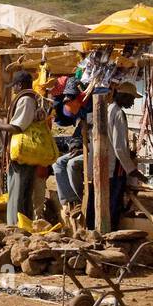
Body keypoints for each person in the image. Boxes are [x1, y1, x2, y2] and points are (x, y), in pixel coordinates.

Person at [0, 71, 43, 227]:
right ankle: (21, 224)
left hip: (23, 154)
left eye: (15, 86)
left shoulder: (25, 100)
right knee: (20, 191)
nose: (14, 89)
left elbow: (17, 127)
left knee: (17, 192)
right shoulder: (29, 99)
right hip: (24, 154)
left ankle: (17, 226)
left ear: (20, 85)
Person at [89, 82, 146, 230]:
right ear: (124, 96)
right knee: (113, 201)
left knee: (99, 199)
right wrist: (132, 170)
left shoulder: (106, 109)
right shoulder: (119, 114)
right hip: (115, 166)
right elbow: (119, 147)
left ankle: (93, 228)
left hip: (102, 163)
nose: (132, 103)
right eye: (131, 99)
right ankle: (108, 231)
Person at [52, 77, 92, 228]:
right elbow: (78, 134)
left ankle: (80, 199)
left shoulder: (93, 110)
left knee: (72, 164)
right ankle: (69, 200)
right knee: (57, 164)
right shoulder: (82, 114)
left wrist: (81, 148)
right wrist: (76, 146)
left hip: (94, 151)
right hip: (83, 149)